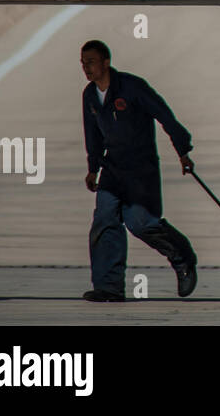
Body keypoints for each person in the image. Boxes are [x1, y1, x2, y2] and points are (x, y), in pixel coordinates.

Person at [80, 40, 198, 301]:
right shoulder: (89, 95)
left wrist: (182, 151)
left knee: (141, 224)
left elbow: (164, 116)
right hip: (112, 168)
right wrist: (93, 168)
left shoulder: (132, 87)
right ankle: (109, 287)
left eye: (91, 61)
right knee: (105, 220)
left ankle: (182, 257)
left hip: (140, 168)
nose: (86, 67)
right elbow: (92, 135)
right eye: (83, 62)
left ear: (106, 62)